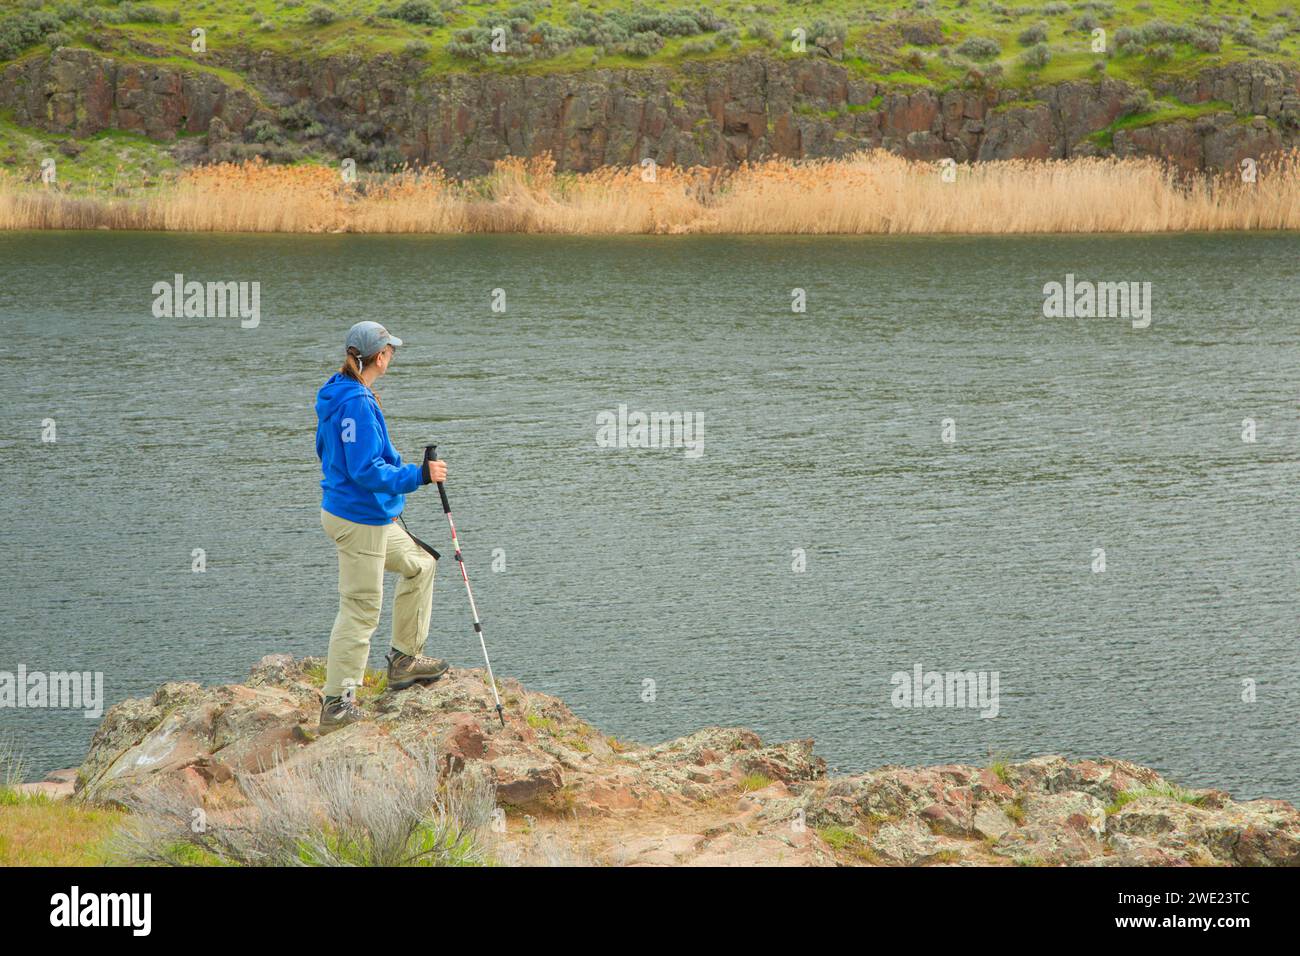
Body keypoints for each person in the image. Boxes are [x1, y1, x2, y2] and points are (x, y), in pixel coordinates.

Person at [313, 321, 449, 732]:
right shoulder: (355, 401)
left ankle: (404, 660)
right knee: (360, 609)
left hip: (357, 513)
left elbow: (330, 453)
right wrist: (419, 476)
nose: (393, 355)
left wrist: (399, 477)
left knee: (420, 564)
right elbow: (366, 470)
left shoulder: (340, 391)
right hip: (359, 520)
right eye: (391, 349)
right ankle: (337, 704)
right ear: (380, 355)